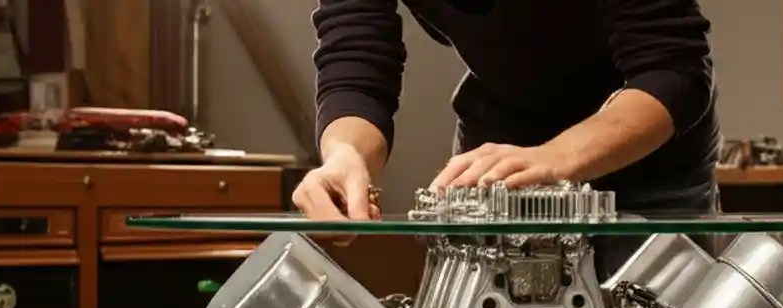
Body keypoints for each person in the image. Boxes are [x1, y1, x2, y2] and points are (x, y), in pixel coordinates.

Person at [292, 0, 721, 276]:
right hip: (500, 140)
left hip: (645, 151)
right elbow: (357, 62)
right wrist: (345, 156)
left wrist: (555, 158)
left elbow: (673, 70)